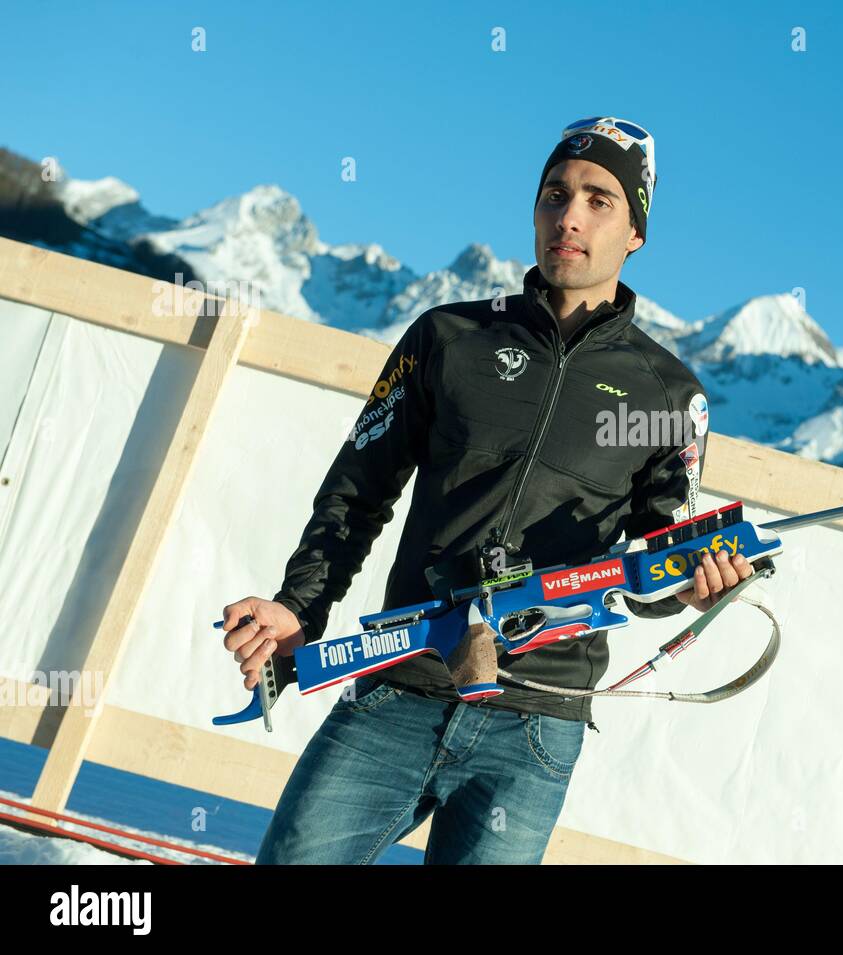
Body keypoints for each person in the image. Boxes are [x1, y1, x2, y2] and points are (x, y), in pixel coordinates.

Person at [219, 116, 753, 864]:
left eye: (599, 200)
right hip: (399, 686)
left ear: (637, 232)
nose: (569, 215)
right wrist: (302, 605)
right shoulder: (447, 338)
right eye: (555, 194)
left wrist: (693, 587)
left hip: (536, 725)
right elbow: (356, 490)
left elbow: (654, 562)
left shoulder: (668, 396)